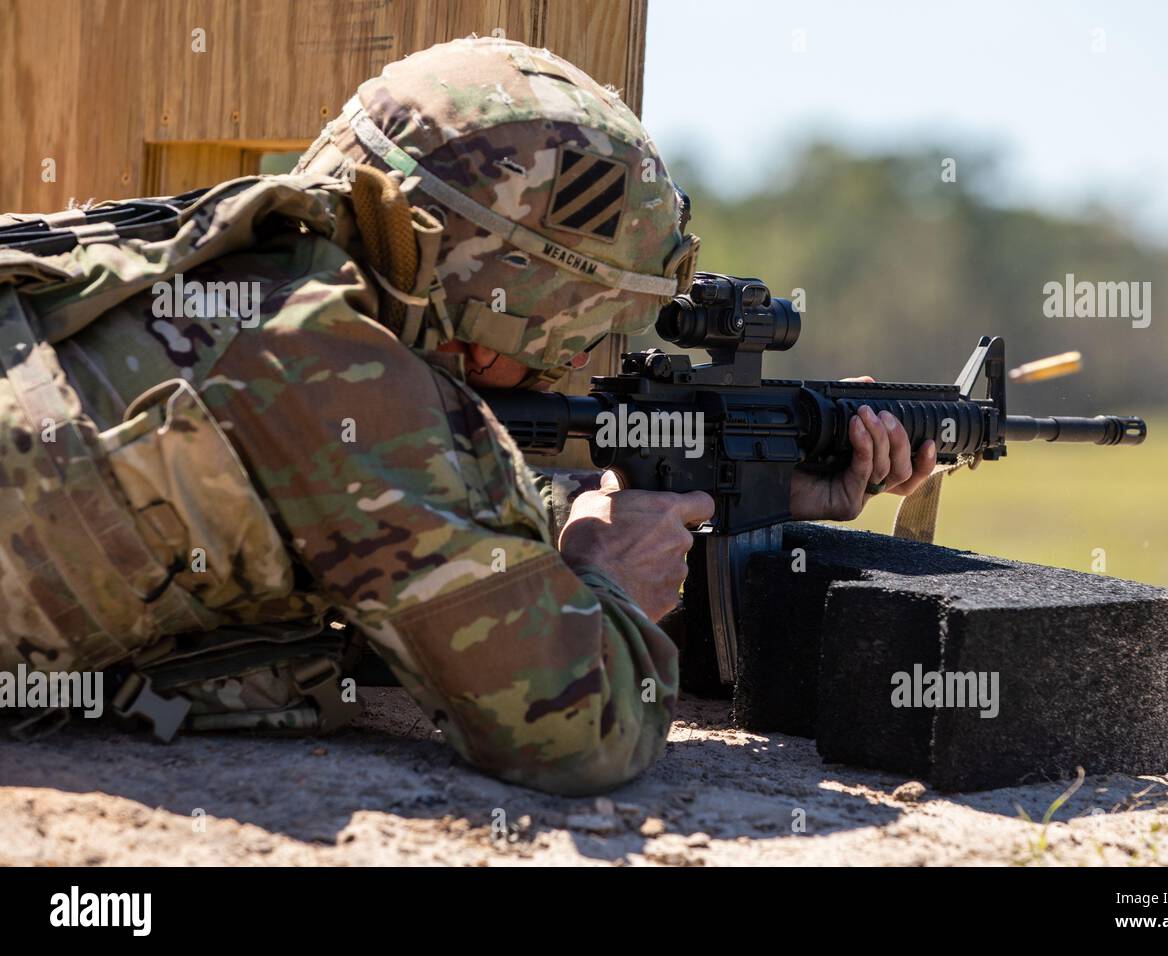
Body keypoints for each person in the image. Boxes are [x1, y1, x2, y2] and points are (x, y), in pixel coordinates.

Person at [0, 36, 935, 794]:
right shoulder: (334, 370)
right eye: (588, 324)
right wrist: (607, 573)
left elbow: (386, 513)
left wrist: (763, 489)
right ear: (504, 290)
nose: (576, 360)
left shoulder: (241, 271)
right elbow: (575, 732)